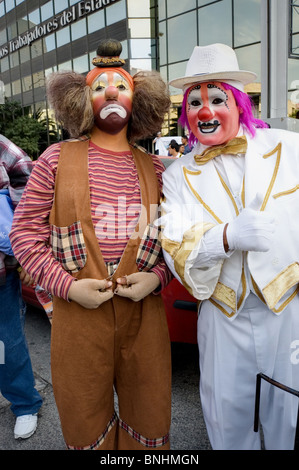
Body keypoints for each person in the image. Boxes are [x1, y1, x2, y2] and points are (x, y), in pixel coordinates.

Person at [10, 39, 172, 451]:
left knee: (150, 412)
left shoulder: (155, 167)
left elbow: (177, 239)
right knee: (83, 417)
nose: (112, 93)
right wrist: (67, 287)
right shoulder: (54, 159)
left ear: (139, 99)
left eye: (121, 86)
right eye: (100, 87)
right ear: (81, 99)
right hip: (77, 316)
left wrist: (157, 277)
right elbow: (24, 234)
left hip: (144, 317)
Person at [159, 43, 299, 450]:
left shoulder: (289, 149)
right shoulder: (178, 174)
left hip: (287, 311)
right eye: (196, 102)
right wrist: (226, 237)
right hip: (224, 318)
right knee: (229, 421)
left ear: (239, 103)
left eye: (217, 99)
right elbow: (174, 242)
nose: (206, 111)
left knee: (288, 417)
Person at [0, 134, 42, 439]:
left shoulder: (3, 149)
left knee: (6, 342)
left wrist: (28, 255)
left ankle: (25, 404)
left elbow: (31, 201)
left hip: (2, 272)